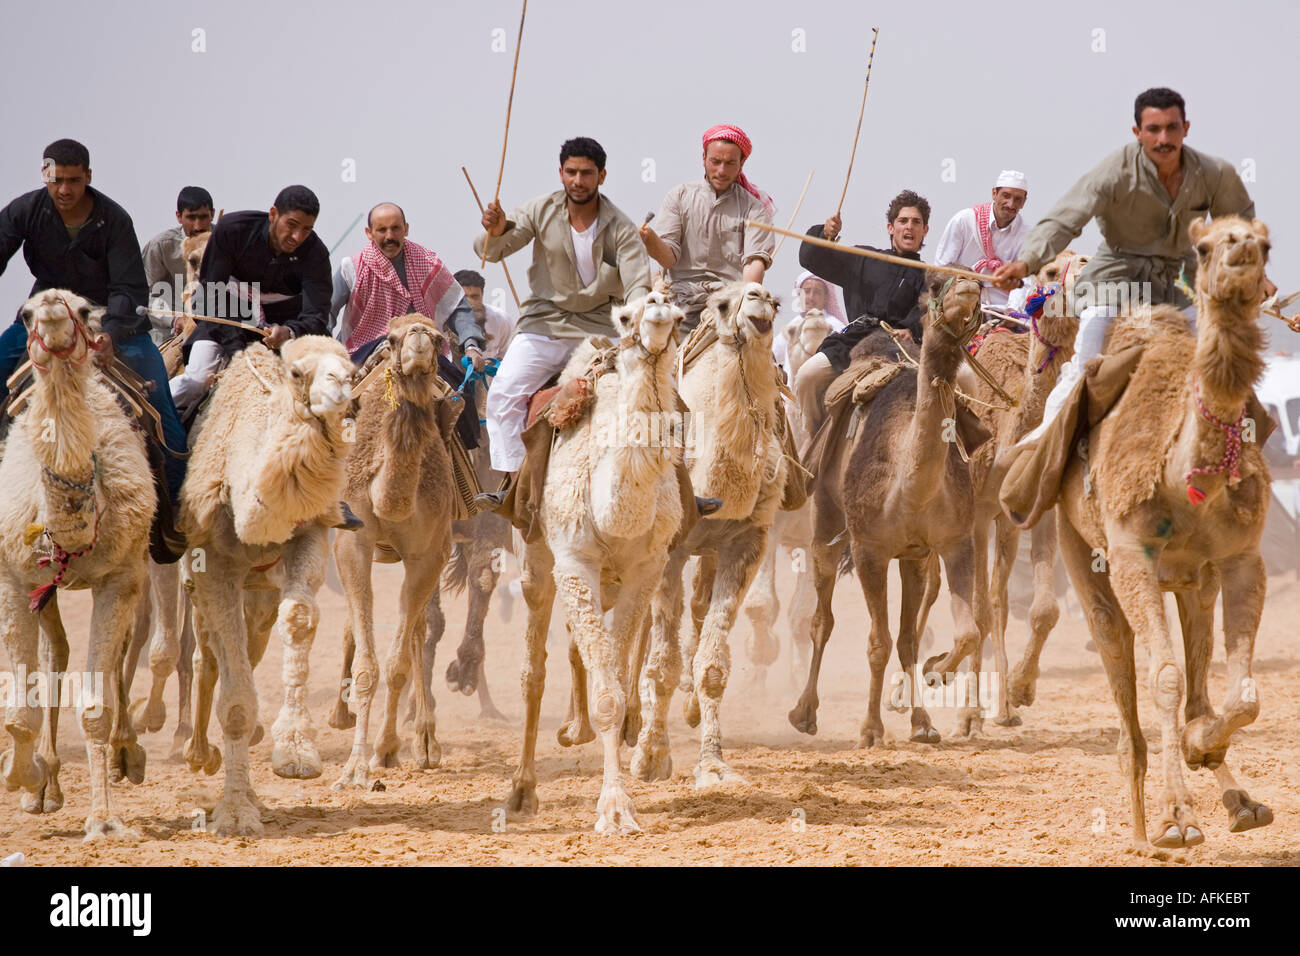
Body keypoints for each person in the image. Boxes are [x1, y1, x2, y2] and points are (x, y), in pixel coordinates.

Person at [992, 87, 1273, 440]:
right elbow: (1065, 218)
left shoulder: (1215, 174)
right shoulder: (1114, 171)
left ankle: (1244, 452)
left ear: (1186, 128)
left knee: (1221, 356)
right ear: (1137, 133)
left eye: (1171, 128)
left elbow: (1240, 225)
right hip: (1117, 273)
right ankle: (1047, 454)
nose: (1163, 138)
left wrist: (1257, 274)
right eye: (1153, 129)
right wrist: (1026, 261)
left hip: (1181, 278)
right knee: (1088, 357)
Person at [0, 138, 188, 558]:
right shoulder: (25, 211)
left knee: (163, 415)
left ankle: (177, 517)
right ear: (45, 176)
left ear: (87, 177)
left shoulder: (113, 219)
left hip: (107, 318)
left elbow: (128, 286)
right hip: (46, 314)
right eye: (56, 180)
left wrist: (111, 335)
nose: (64, 189)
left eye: (73, 180)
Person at [473, 137, 652, 479]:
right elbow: (492, 252)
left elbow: (637, 287)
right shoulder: (540, 210)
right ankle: (513, 484)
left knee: (658, 397)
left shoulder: (622, 228)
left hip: (601, 332)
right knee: (502, 398)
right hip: (545, 326)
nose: (578, 181)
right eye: (571, 172)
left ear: (601, 176)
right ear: (560, 173)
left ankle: (675, 485)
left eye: (586, 173)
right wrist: (494, 230)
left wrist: (640, 324)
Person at [171, 185, 332, 417]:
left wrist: (288, 331)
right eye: (292, 225)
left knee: (323, 392)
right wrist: (237, 348)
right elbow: (209, 293)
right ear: (273, 214)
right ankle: (153, 419)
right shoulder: (233, 229)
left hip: (282, 335)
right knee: (196, 381)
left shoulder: (316, 254)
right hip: (223, 323)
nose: (298, 237)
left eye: (307, 229)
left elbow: (317, 315)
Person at [792, 189, 932, 441]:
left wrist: (911, 329)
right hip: (855, 341)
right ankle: (813, 439)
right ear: (890, 227)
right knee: (807, 375)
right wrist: (825, 234)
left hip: (903, 347)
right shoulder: (865, 258)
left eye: (916, 222)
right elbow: (810, 258)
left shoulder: (930, 277)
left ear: (925, 230)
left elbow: (927, 312)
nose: (909, 227)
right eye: (903, 221)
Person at [639, 124, 776, 329]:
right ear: (703, 158)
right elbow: (668, 258)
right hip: (680, 305)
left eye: (730, 163)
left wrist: (743, 304)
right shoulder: (678, 197)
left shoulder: (754, 209)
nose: (721, 171)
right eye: (715, 161)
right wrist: (650, 240)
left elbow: (754, 262)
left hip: (728, 308)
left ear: (742, 162)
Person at [330, 202, 485, 366]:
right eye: (382, 230)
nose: (389, 236)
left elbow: (457, 307)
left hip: (421, 354)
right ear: (369, 233)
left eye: (395, 228)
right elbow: (326, 312)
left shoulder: (427, 263)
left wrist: (472, 346)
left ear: (406, 229)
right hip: (362, 355)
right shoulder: (352, 268)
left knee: (460, 387)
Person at [933, 170, 1029, 308]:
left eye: (1018, 199)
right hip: (961, 306)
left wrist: (1012, 310)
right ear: (994, 194)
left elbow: (1025, 278)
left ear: (1024, 202)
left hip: (1003, 310)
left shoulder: (1027, 235)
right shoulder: (964, 221)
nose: (1011, 204)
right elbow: (941, 268)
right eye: (1006, 196)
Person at [140, 185, 215, 342]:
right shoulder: (161, 246)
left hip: (217, 326)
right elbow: (143, 294)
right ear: (179, 216)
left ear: (213, 214)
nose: (198, 226)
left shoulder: (225, 241)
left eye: (203, 217)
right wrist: (175, 319)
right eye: (191, 217)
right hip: (170, 333)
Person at [773, 270, 846, 378]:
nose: (811, 297)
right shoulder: (793, 325)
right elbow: (772, 353)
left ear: (826, 297)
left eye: (817, 292)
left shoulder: (835, 326)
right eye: (807, 291)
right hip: (790, 392)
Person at [454, 268, 515, 360]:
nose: (470, 303)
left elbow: (508, 357)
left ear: (482, 295)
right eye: (464, 298)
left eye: (475, 297)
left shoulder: (501, 319)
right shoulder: (442, 321)